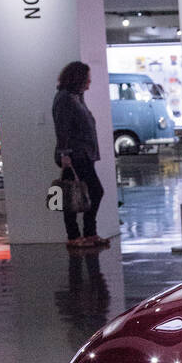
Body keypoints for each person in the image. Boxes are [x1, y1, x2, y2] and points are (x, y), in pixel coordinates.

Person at [52, 61, 109, 248]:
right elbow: (63, 128)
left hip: (84, 154)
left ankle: (88, 234)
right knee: (74, 195)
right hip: (74, 155)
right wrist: (64, 154)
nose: (89, 83)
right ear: (77, 78)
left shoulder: (77, 98)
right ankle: (75, 236)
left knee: (82, 193)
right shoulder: (64, 99)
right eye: (87, 79)